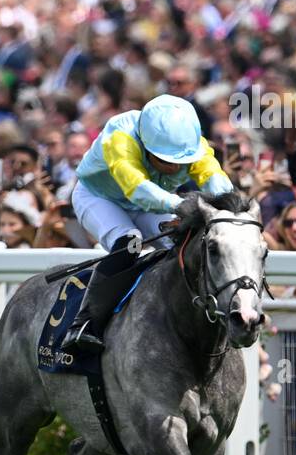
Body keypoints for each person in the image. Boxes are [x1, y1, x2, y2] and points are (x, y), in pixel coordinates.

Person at [62, 94, 234, 355]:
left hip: (149, 203)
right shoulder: (120, 136)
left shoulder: (190, 143)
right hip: (99, 198)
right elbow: (137, 189)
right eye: (166, 160)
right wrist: (180, 205)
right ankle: (85, 323)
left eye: (181, 162)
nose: (175, 167)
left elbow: (213, 176)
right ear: (145, 143)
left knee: (183, 243)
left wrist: (230, 204)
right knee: (129, 242)